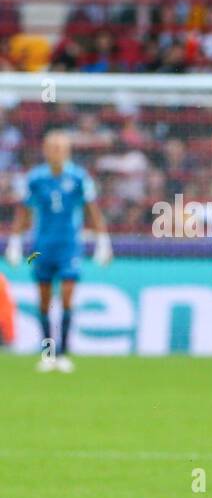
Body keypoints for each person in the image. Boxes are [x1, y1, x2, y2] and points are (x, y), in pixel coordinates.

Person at [6, 130, 112, 373]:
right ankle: (48, 354)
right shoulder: (35, 178)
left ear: (67, 151)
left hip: (69, 246)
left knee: (66, 295)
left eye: (61, 148)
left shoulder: (78, 178)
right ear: (45, 150)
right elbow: (24, 212)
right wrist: (15, 241)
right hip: (41, 248)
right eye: (52, 147)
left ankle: (63, 352)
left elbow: (92, 210)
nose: (56, 152)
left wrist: (103, 241)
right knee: (44, 302)